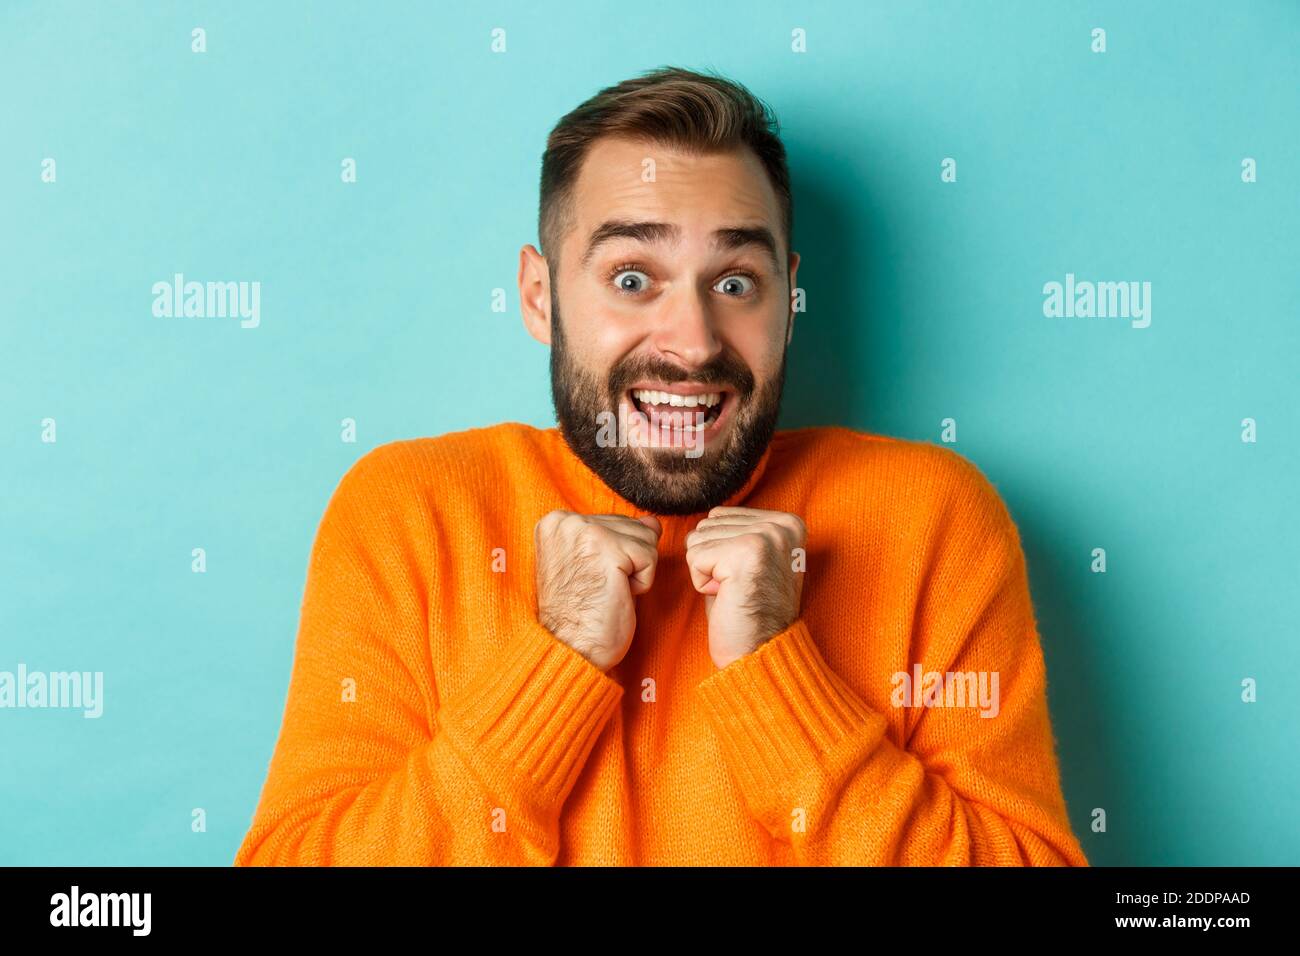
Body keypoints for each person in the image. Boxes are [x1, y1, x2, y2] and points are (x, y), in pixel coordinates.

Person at [233, 65, 1088, 866]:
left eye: (736, 282)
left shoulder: (932, 518)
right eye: (634, 277)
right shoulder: (406, 513)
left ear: (788, 300)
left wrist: (782, 683)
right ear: (540, 297)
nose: (692, 342)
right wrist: (554, 659)